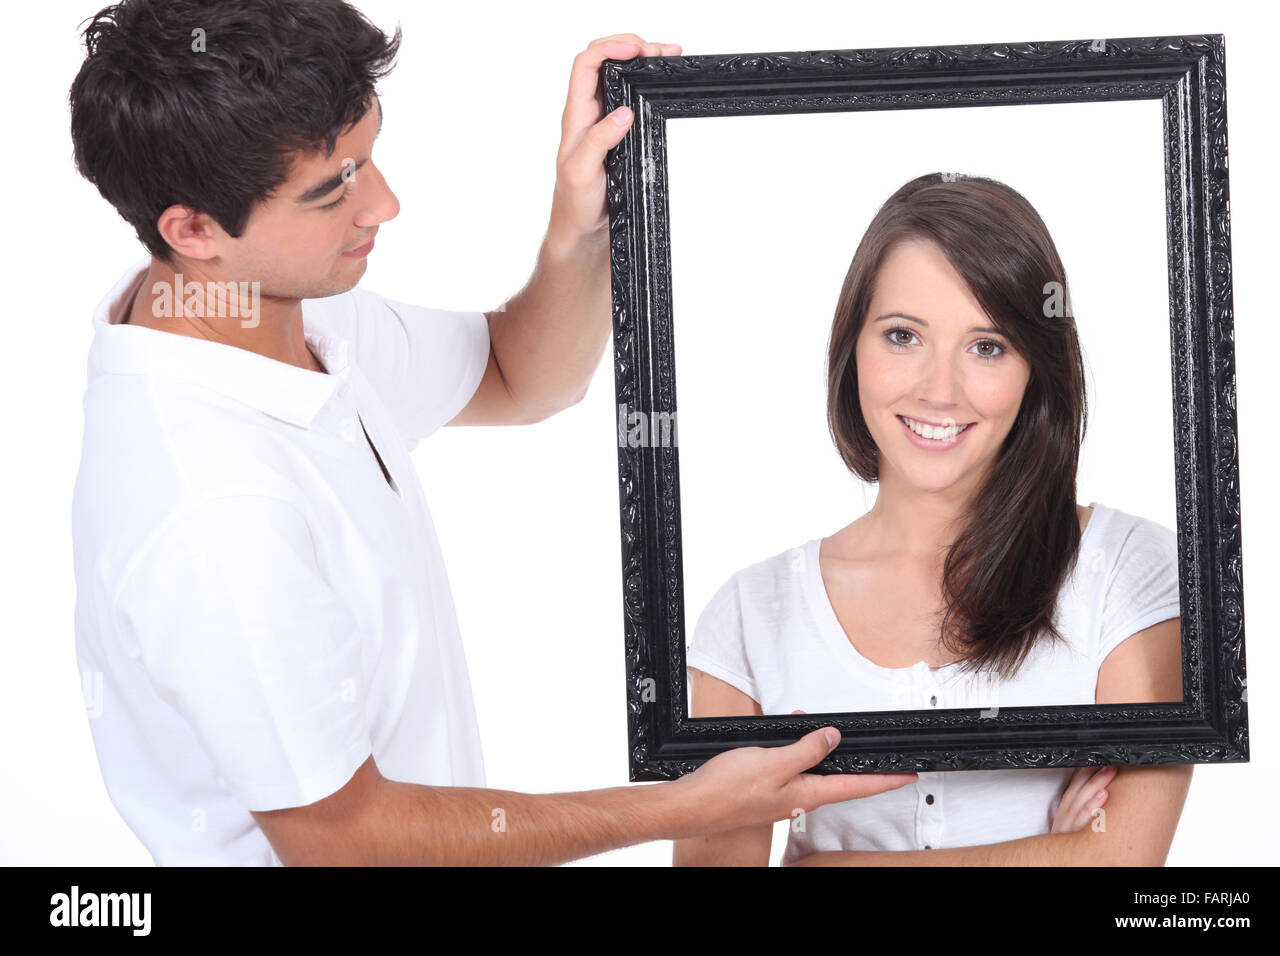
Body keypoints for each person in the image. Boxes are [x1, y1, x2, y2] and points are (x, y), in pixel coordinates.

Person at [68, 0, 920, 866]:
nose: (384, 204)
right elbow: (348, 845)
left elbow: (521, 375)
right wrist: (683, 808)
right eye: (333, 190)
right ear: (193, 230)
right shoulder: (210, 503)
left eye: (368, 157)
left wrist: (581, 220)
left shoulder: (265, 313)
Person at [676, 173, 1193, 866]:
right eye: (902, 335)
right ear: (851, 346)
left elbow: (1123, 870)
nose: (939, 391)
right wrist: (1050, 854)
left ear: (1037, 370)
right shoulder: (749, 615)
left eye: (987, 347)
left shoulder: (1130, 571)